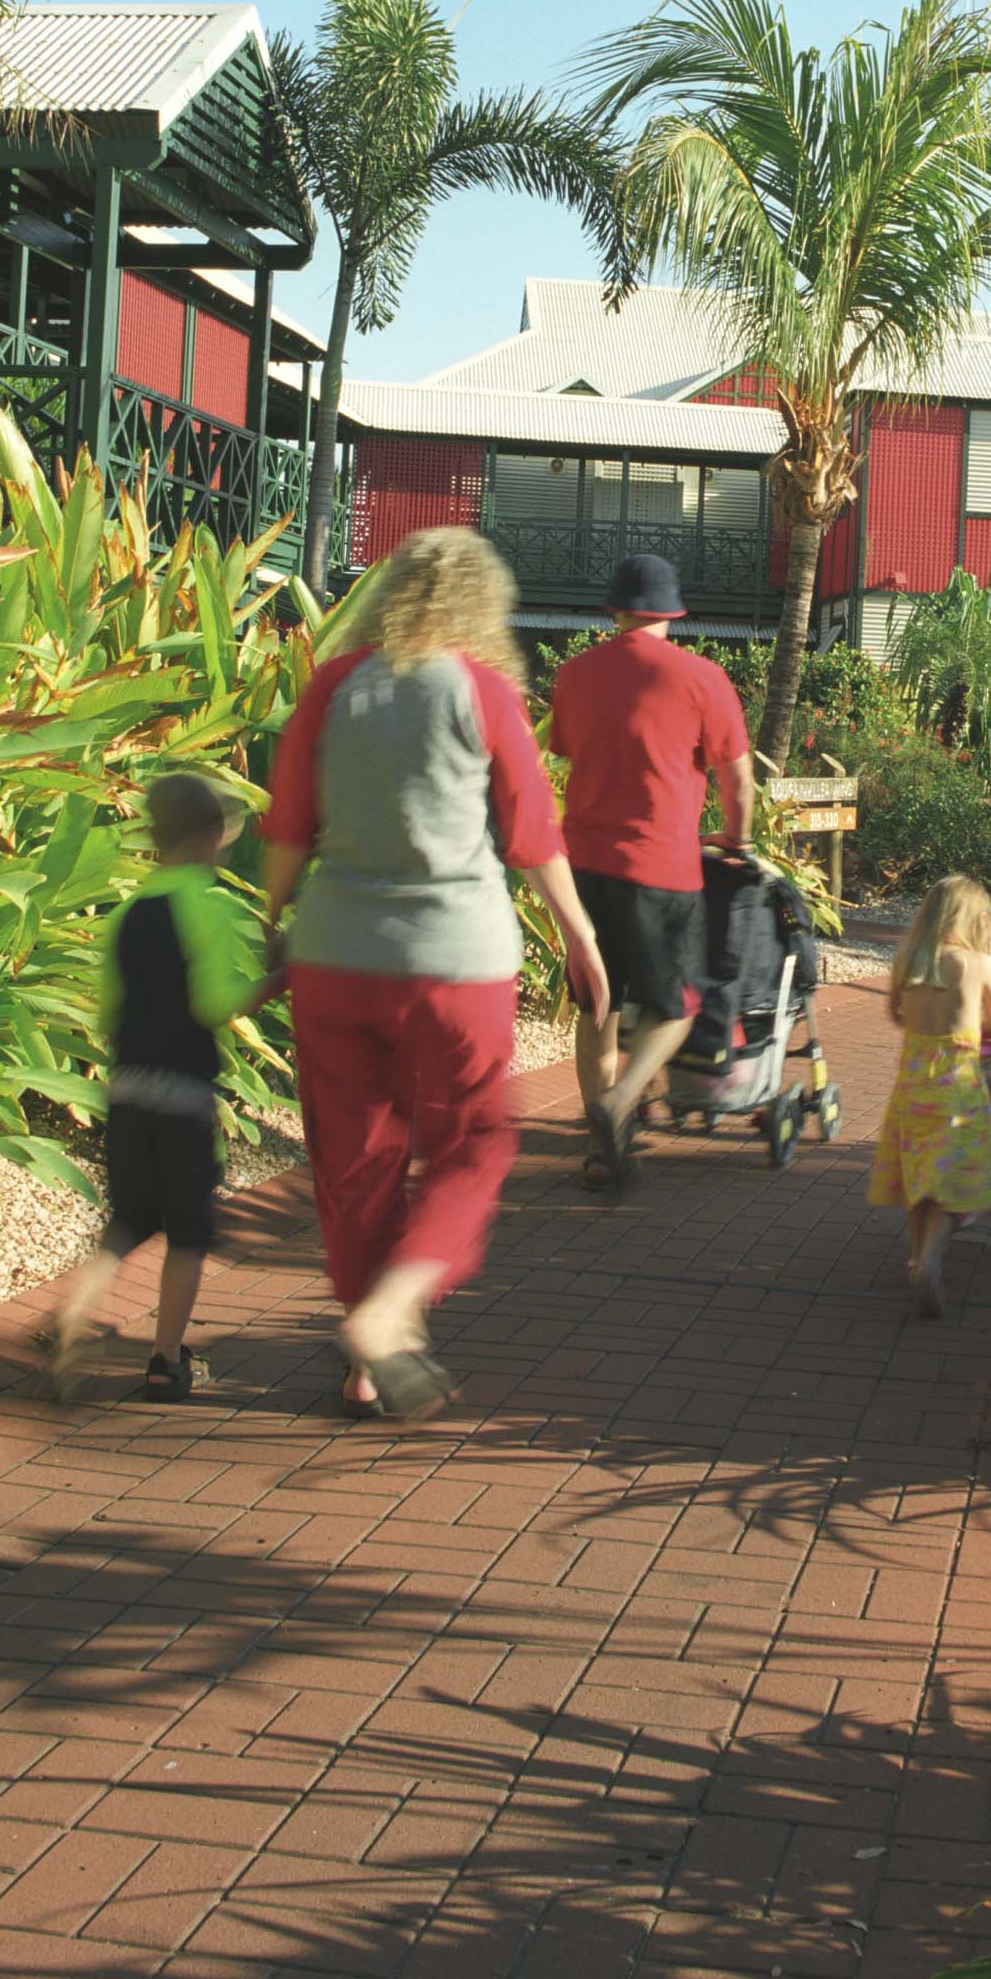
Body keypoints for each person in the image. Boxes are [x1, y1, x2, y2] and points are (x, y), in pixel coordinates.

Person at [263, 528, 609, 1419]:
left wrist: (270, 924)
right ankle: (389, 1312)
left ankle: (368, 1359)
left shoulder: (333, 686)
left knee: (356, 1156)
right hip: (457, 960)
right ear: (479, 608)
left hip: (335, 952)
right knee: (474, 1142)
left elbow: (290, 825)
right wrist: (580, 936)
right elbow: (533, 833)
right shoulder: (482, 690)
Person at [52, 776, 271, 1403]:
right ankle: (166, 1357)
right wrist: (278, 978)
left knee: (126, 1222)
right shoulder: (207, 904)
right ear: (210, 838)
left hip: (128, 1087)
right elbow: (215, 1003)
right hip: (183, 1092)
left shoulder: (127, 911)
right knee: (186, 1232)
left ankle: (72, 1321)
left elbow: (108, 1011)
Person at [545, 550, 756, 1196]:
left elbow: (568, 752)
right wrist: (737, 839)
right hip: (663, 866)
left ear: (615, 610)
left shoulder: (574, 677)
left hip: (582, 867)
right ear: (672, 613)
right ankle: (622, 1101)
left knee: (597, 1005)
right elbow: (738, 781)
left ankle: (597, 1152)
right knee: (677, 1007)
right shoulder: (703, 678)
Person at [869, 873, 991, 1320]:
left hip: (913, 1084)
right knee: (953, 1184)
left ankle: (916, 1259)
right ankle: (931, 1258)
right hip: (959, 1086)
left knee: (919, 1177)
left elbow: (895, 1012)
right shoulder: (977, 963)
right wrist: (974, 1033)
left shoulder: (908, 958)